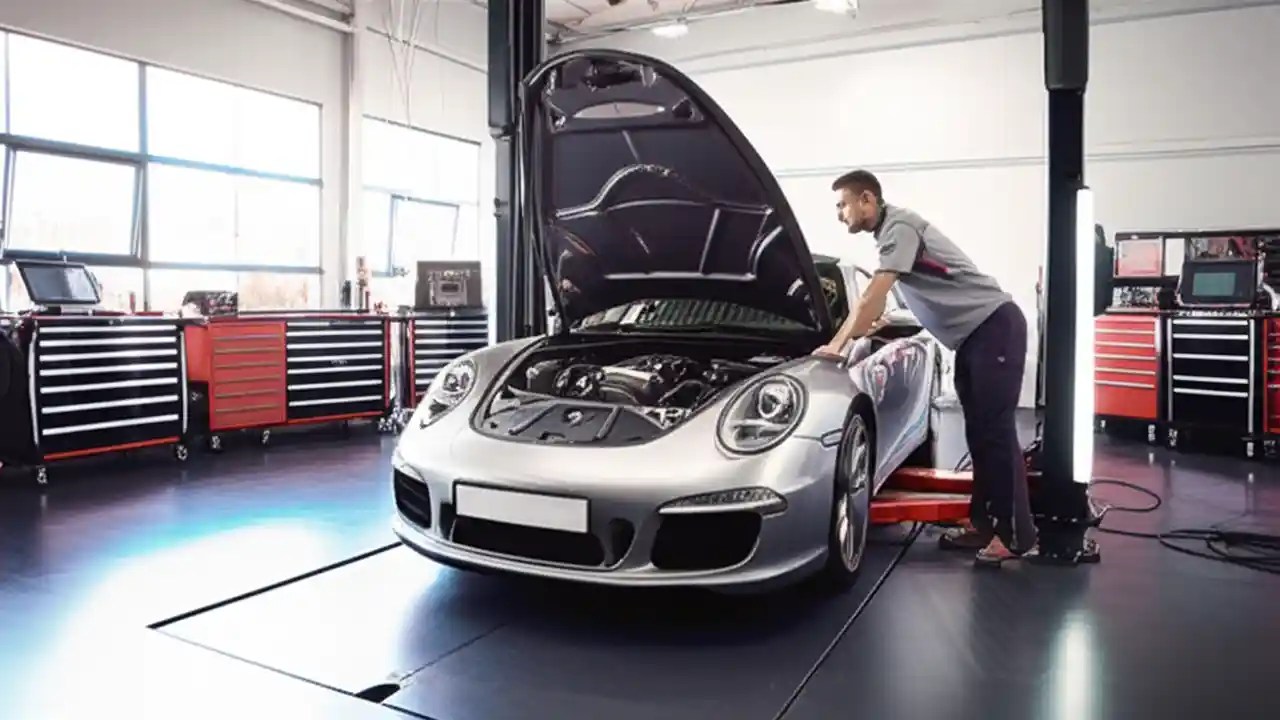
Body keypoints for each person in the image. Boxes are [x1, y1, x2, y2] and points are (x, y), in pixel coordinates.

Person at [813, 169, 1037, 566]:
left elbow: (871, 297)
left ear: (867, 199)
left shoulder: (899, 227)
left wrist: (836, 345)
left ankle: (1015, 536)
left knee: (996, 433)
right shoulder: (890, 237)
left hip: (994, 328)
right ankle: (983, 525)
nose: (839, 213)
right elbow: (883, 309)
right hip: (973, 339)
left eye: (843, 204)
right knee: (979, 435)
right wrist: (873, 326)